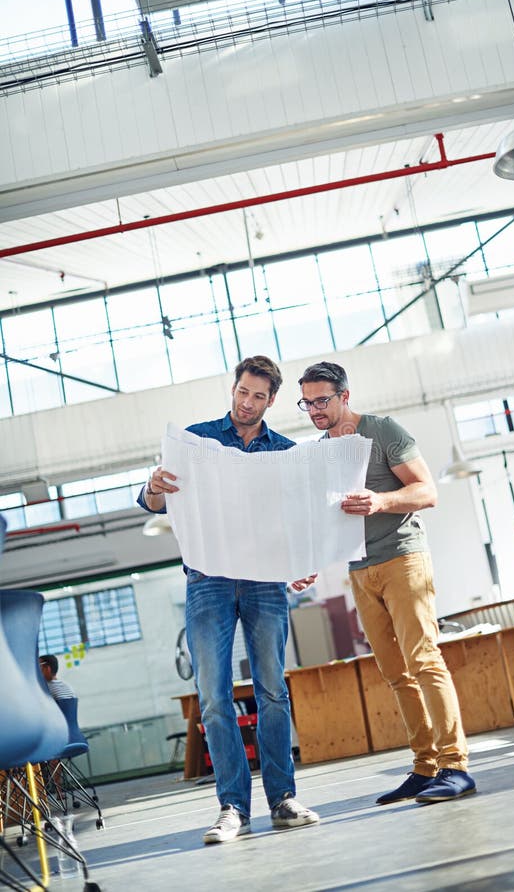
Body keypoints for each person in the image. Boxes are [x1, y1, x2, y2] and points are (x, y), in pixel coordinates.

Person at [139, 355, 319, 843]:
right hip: (208, 580)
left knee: (273, 692)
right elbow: (153, 501)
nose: (247, 402)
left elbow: (298, 519)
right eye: (242, 392)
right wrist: (154, 486)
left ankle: (282, 800)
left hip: (264, 582)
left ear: (272, 401)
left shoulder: (284, 452)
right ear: (234, 389)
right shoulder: (196, 443)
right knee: (215, 698)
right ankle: (232, 808)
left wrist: (305, 559)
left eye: (258, 396)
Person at [297, 361, 476, 805]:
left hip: (403, 558)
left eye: (323, 400)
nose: (315, 410)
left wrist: (380, 500)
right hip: (360, 570)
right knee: (396, 674)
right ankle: (424, 767)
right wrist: (312, 562)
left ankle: (456, 767)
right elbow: (326, 518)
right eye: (307, 403)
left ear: (345, 396)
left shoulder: (383, 431)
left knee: (423, 660)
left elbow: (426, 491)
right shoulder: (321, 452)